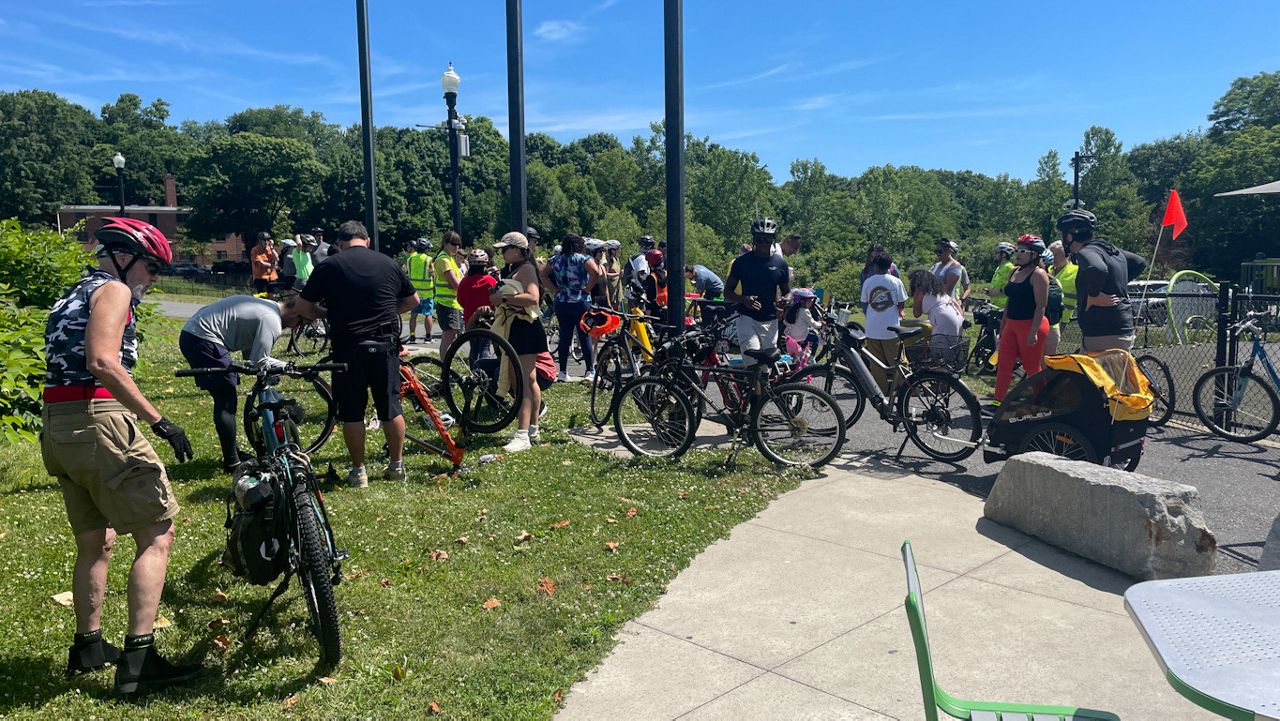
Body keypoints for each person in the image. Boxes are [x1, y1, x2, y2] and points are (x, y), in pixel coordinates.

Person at [41, 217, 200, 694]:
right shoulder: (114, 290)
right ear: (124, 257)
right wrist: (160, 421)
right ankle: (139, 663)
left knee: (96, 539)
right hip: (98, 418)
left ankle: (88, 648)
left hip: (58, 425)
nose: (153, 279)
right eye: (151, 267)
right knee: (157, 533)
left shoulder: (72, 294)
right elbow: (102, 361)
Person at [296, 221, 419, 488]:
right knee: (391, 407)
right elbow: (413, 301)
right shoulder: (388, 263)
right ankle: (397, 466)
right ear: (367, 241)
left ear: (340, 243)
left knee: (352, 411)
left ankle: (359, 471)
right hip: (384, 344)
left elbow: (303, 307)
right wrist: (388, 311)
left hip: (348, 345)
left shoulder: (328, 266)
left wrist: (326, 313)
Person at [179, 294, 305, 471]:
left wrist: (270, 371)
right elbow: (259, 360)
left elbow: (250, 356)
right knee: (226, 401)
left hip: (196, 333)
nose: (298, 327)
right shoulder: (272, 319)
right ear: (294, 313)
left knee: (225, 398)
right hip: (203, 338)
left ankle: (233, 454)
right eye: (301, 322)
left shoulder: (268, 306)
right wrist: (289, 367)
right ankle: (232, 462)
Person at [1058, 209, 1147, 353]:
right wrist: (1115, 284)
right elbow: (1139, 263)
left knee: (1094, 368)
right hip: (1122, 325)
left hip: (1102, 331)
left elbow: (1097, 268)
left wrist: (1093, 295)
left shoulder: (1086, 252)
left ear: (1069, 236)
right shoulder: (1108, 250)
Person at [491, 232, 548, 452]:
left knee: (522, 380)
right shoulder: (513, 268)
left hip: (525, 327)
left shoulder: (526, 268)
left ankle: (522, 434)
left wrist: (503, 298)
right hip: (517, 326)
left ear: (517, 250)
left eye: (505, 249)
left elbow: (533, 297)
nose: (502, 253)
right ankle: (533, 428)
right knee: (527, 379)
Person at [724, 217, 790, 365]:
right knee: (752, 361)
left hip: (770, 320)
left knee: (766, 365)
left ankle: (765, 381)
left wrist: (787, 300)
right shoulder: (741, 262)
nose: (763, 243)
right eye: (760, 239)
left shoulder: (780, 264)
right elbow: (727, 292)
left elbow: (787, 291)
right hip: (747, 318)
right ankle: (751, 378)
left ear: (772, 240)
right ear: (754, 239)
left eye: (767, 239)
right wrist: (743, 299)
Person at [993, 234, 1051, 404]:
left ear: (1035, 254)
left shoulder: (1038, 274)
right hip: (1012, 324)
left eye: (1023, 251)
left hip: (1031, 324)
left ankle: (1044, 400)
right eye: (1017, 250)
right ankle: (998, 402)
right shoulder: (1014, 271)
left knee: (1031, 367)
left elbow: (1041, 306)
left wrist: (1033, 332)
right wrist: (1003, 325)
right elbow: (1009, 301)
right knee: (1004, 364)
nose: (1017, 254)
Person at [541, 233, 600, 381]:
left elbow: (542, 274)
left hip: (561, 301)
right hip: (580, 301)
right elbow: (595, 272)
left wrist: (554, 289)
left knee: (565, 336)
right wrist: (588, 288)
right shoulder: (583, 259)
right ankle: (589, 370)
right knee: (584, 335)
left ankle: (562, 372)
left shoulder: (555, 259)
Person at [860, 254, 908, 393]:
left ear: (875, 266)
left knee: (876, 363)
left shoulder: (868, 282)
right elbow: (902, 301)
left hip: (872, 329)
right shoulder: (896, 281)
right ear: (890, 266)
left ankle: (881, 390)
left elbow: (864, 301)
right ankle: (906, 387)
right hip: (891, 329)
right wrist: (899, 310)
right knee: (898, 361)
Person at [433, 231, 465, 355]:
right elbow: (455, 284)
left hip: (452, 303)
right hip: (446, 304)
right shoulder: (443, 259)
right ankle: (445, 364)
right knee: (449, 336)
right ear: (445, 243)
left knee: (452, 336)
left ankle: (447, 362)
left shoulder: (449, 258)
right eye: (453, 244)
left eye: (458, 244)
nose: (456, 247)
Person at [1044, 240, 1078, 356]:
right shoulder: (1048, 270)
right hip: (1045, 316)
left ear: (1067, 254)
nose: (1054, 257)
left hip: (1063, 319)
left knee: (1052, 353)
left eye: (1057, 254)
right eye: (1052, 254)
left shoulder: (1076, 271)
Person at [908, 268, 964, 338]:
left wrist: (915, 296)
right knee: (952, 343)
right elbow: (956, 304)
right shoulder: (939, 291)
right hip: (957, 318)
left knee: (939, 343)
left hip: (943, 319)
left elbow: (916, 313)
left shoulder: (920, 290)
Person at [404, 238, 435, 344]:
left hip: (414, 292)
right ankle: (428, 337)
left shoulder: (410, 259)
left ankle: (412, 336)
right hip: (427, 292)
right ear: (425, 249)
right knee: (428, 314)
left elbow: (408, 273)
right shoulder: (429, 259)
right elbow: (432, 273)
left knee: (413, 315)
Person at [783, 288, 822, 367]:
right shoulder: (805, 311)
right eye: (809, 300)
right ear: (802, 301)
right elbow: (813, 324)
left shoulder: (793, 310)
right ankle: (811, 358)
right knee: (816, 338)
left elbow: (785, 322)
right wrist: (821, 324)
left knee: (800, 350)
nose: (811, 302)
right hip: (801, 336)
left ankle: (797, 361)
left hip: (792, 337)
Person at [984, 242, 1017, 309]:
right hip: (995, 305)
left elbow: (1012, 288)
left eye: (996, 253)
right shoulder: (999, 268)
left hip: (1004, 307)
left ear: (1003, 254)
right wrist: (990, 291)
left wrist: (998, 292)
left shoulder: (1010, 268)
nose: (994, 255)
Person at [585, 238, 612, 310]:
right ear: (592, 253)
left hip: (603, 301)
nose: (602, 253)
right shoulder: (588, 270)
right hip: (593, 302)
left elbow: (606, 288)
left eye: (603, 251)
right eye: (600, 251)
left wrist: (609, 304)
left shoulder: (602, 267)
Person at [641, 248, 668, 318]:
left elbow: (650, 296)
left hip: (654, 311)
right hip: (666, 308)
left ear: (650, 262)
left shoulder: (652, 277)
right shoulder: (666, 273)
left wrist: (648, 312)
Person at [603, 239, 624, 310]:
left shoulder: (616, 259)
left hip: (617, 287)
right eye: (618, 249)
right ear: (612, 250)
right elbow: (605, 275)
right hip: (611, 290)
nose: (619, 251)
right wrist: (618, 274)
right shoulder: (607, 261)